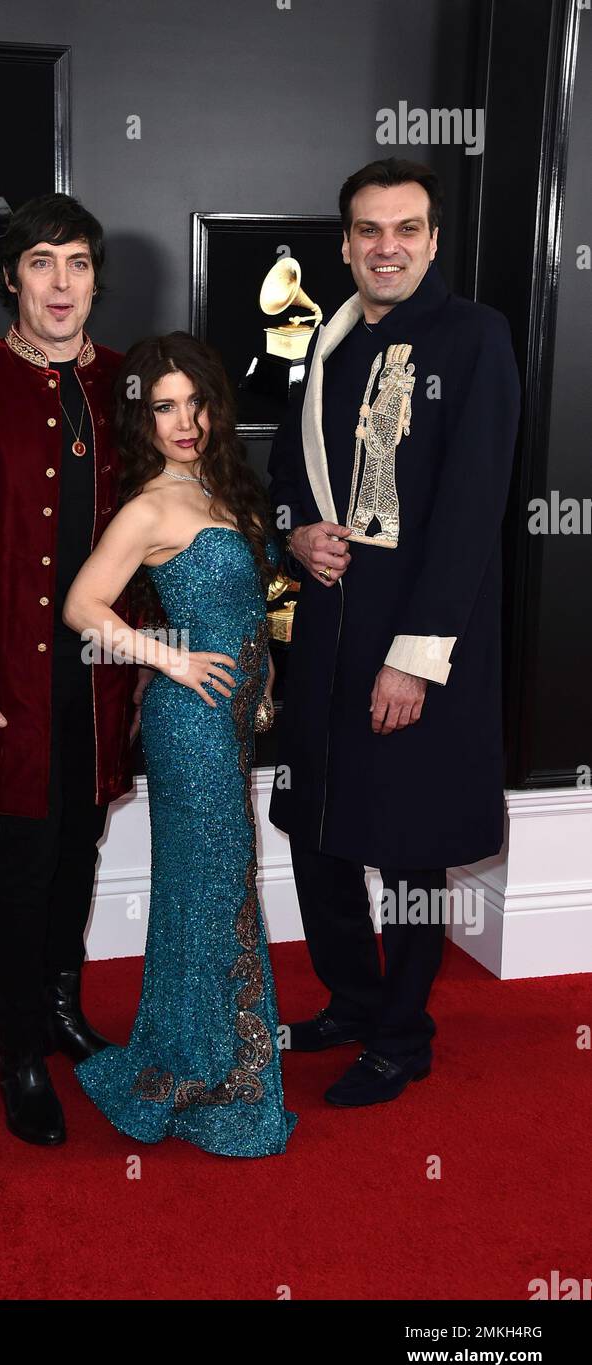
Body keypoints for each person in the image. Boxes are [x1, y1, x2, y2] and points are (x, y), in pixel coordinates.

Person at [268, 158, 521, 1106]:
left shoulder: (476, 338)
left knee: (411, 841)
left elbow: (470, 512)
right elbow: (288, 466)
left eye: (406, 228)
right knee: (319, 829)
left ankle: (405, 1032)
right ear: (345, 244)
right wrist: (294, 527)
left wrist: (414, 660)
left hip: (422, 642)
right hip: (326, 631)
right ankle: (353, 998)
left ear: (433, 239)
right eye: (369, 231)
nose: (387, 246)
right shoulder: (320, 347)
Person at [0, 194, 135, 1147]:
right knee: (28, 856)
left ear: (94, 279)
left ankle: (59, 1005)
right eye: (41, 262)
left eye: (77, 263)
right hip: (6, 673)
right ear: (11, 276)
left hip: (105, 674)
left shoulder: (128, 384)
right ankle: (16, 1052)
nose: (60, 283)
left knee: (80, 845)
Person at [65, 332, 297, 1158]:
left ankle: (202, 1056)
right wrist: (169, 655)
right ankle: (206, 1072)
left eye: (195, 402)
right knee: (214, 888)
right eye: (164, 407)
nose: (184, 420)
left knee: (215, 885)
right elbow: (84, 607)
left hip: (229, 724)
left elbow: (254, 605)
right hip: (188, 722)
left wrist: (261, 683)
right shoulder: (149, 506)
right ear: (144, 419)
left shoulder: (223, 487)